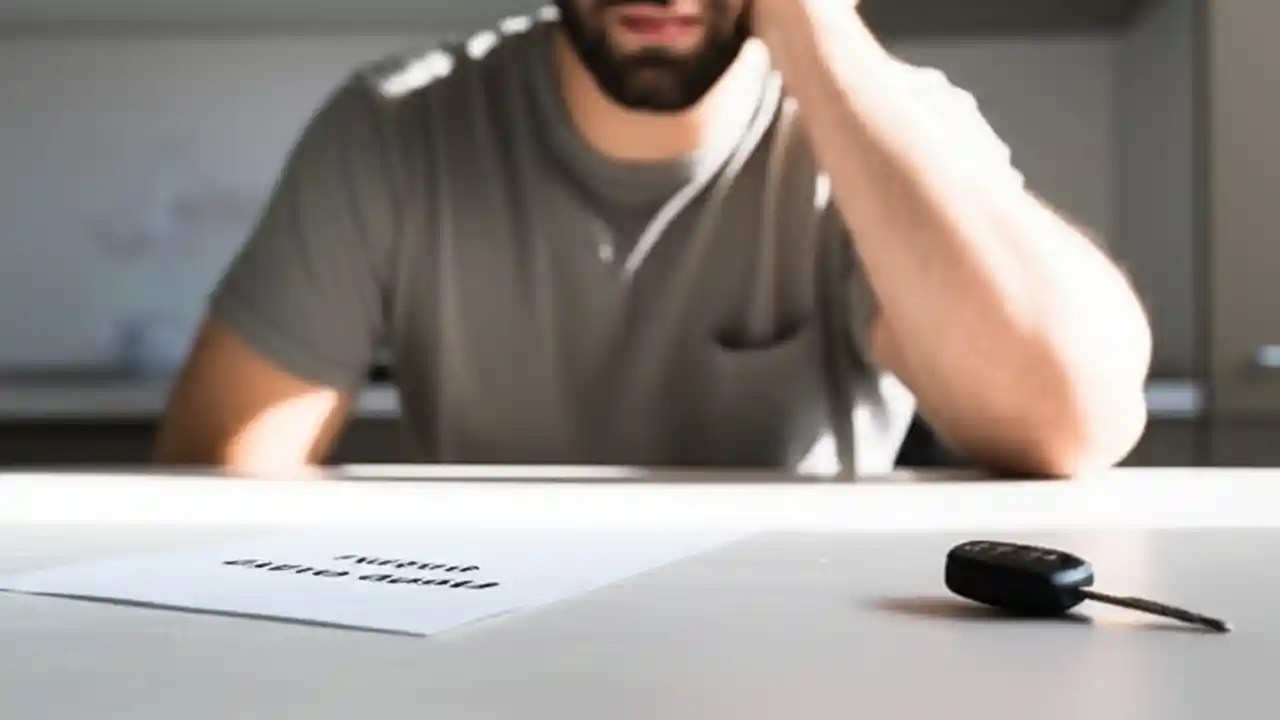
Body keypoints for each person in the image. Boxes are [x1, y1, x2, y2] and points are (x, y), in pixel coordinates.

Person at [155, 0, 1152, 477]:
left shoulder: (885, 131)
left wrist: (814, 27)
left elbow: (1068, 416)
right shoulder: (392, 130)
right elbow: (220, 473)